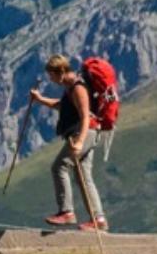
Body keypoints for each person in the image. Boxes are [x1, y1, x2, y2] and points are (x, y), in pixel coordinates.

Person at [29, 54, 107, 230]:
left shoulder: (77, 87)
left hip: (84, 133)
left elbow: (85, 115)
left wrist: (79, 141)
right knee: (83, 177)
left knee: (60, 166)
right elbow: (62, 105)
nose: (51, 80)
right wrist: (40, 100)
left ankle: (67, 212)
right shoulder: (70, 88)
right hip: (86, 133)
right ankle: (99, 220)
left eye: (52, 75)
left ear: (61, 72)